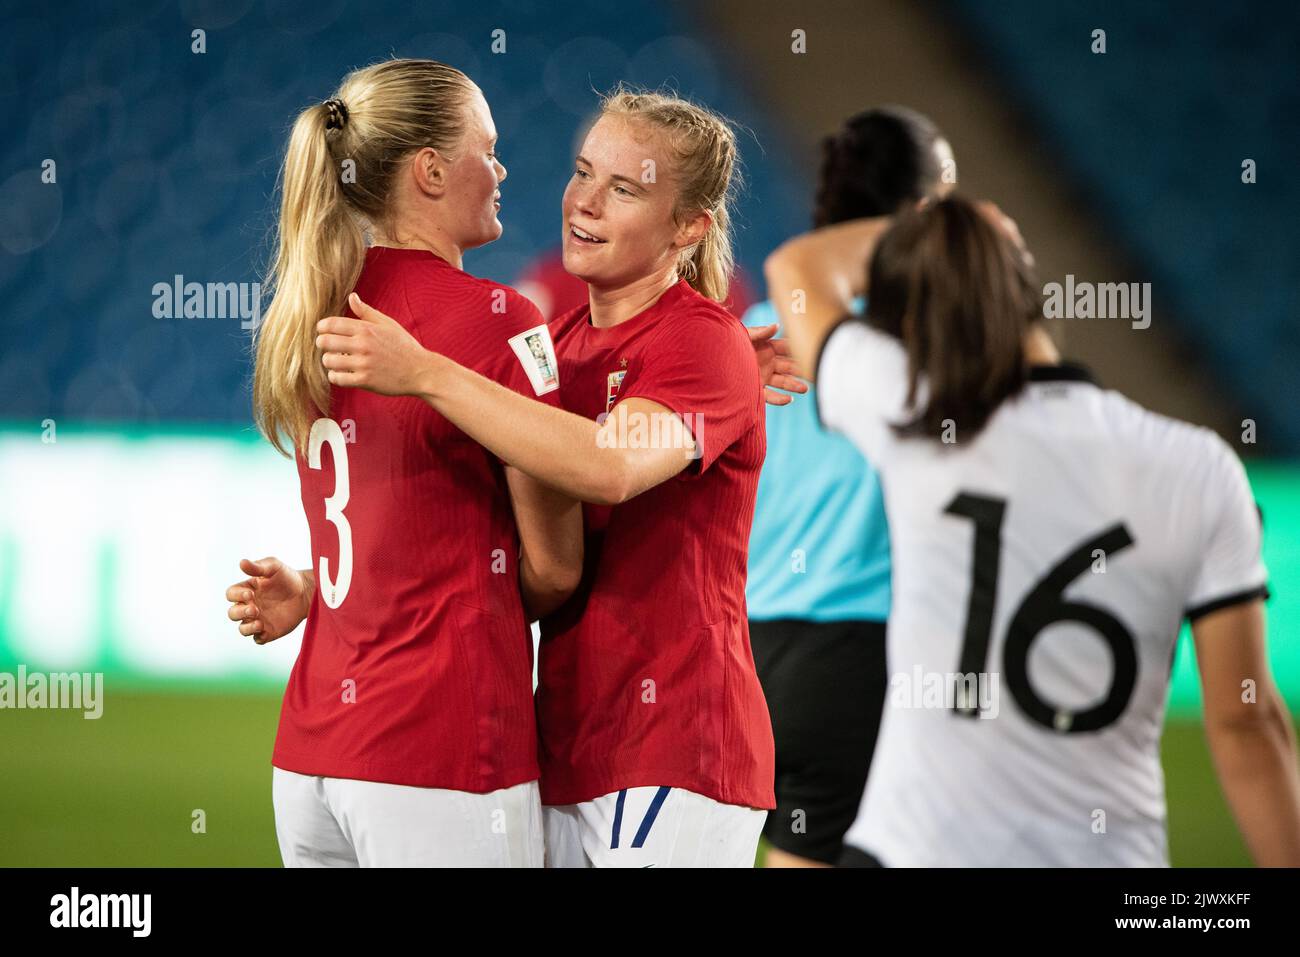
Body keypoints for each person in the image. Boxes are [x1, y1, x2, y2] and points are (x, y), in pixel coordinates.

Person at [313, 87, 786, 867]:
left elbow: (606, 468)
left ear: (690, 227)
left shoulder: (702, 343)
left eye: (625, 189)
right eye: (582, 172)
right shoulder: (556, 351)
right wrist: (316, 582)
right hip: (561, 750)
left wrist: (427, 372)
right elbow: (470, 537)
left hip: (673, 746)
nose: (586, 202)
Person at [766, 196, 1300, 866]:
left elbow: (797, 267)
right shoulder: (1197, 465)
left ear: (904, 331)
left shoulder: (912, 414)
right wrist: (980, 231)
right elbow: (1245, 719)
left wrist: (930, 233)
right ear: (1027, 287)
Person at [228, 58, 583, 867]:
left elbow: (403, 544)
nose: (500, 169)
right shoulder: (498, 320)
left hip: (313, 756)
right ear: (430, 170)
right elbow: (556, 569)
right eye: (486, 149)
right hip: (442, 750)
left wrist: (323, 594)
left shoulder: (314, 308)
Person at [742, 107, 954, 867]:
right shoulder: (931, 344)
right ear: (921, 210)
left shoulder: (755, 333)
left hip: (748, 658)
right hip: (862, 655)